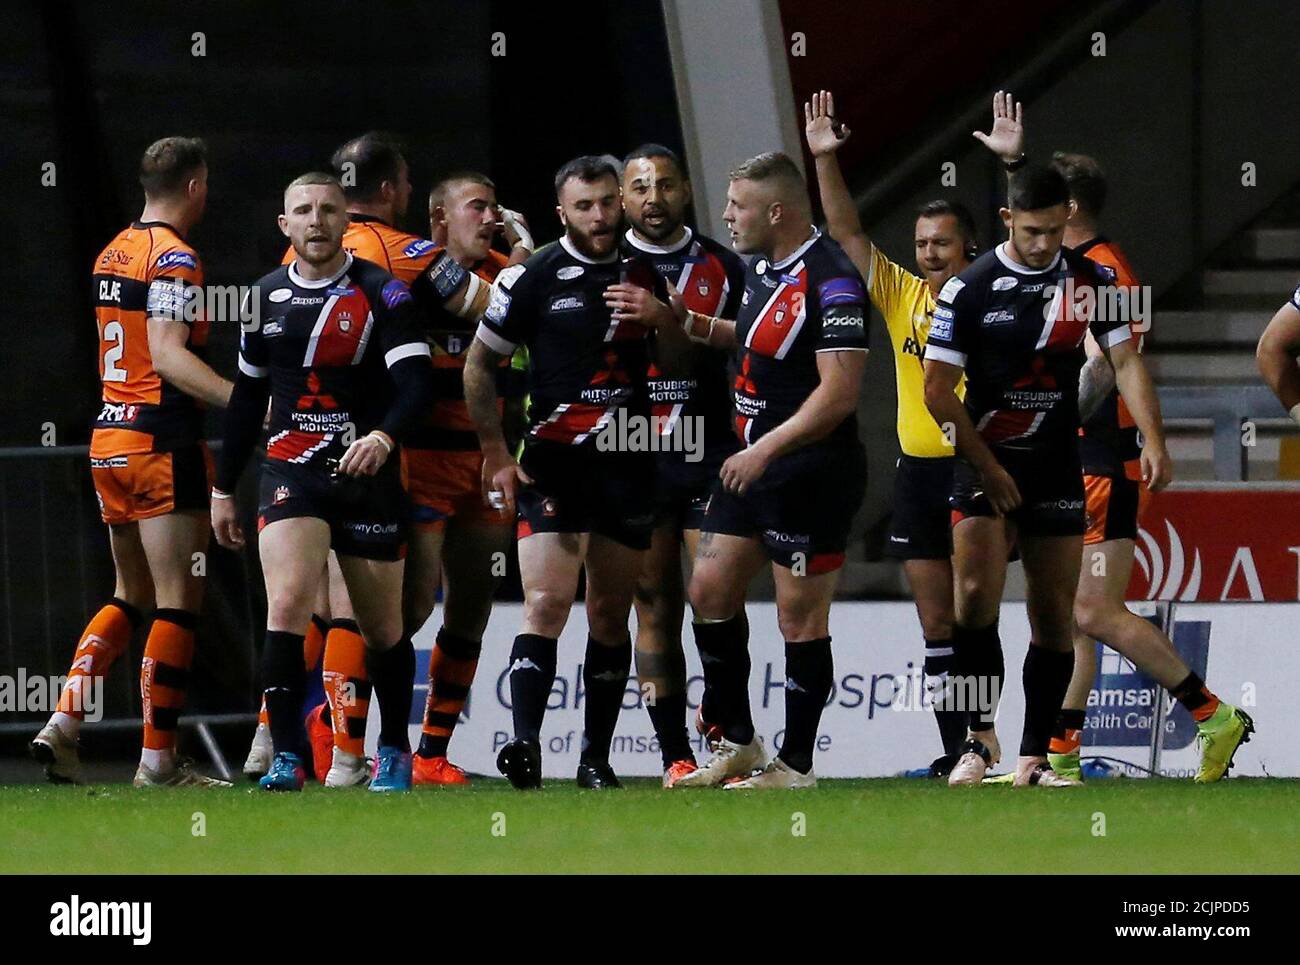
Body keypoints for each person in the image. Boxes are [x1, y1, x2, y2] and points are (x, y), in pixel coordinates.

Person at [976, 94, 1253, 784]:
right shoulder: (1065, 266)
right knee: (1074, 616)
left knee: (1093, 609)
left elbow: (1117, 362)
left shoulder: (1107, 272)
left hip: (1102, 458)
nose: (1030, 226)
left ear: (1067, 210)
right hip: (1079, 458)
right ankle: (1062, 754)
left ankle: (1213, 714)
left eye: (1045, 208)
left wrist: (1060, 420)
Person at [242, 134, 501, 786]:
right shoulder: (407, 256)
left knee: (330, 603)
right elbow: (495, 308)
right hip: (403, 453)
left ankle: (310, 739)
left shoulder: (294, 260)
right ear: (392, 190)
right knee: (385, 610)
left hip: (354, 447)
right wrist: (516, 259)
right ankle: (346, 748)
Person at [923, 161, 1173, 787]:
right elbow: (936, 392)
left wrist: (1153, 436)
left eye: (1055, 231)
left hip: (1058, 464)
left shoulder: (1092, 281)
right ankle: (977, 742)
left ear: (1068, 220)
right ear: (1008, 220)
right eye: (1032, 231)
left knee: (1054, 612)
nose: (1043, 245)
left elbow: (1125, 359)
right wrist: (987, 465)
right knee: (974, 598)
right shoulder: (971, 288)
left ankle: (1035, 757)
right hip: (984, 463)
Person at [212, 172, 434, 793]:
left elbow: (417, 387)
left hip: (366, 473)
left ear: (347, 223)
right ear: (285, 226)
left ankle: (392, 749)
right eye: (303, 211)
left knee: (380, 626)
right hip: (291, 472)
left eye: (328, 210)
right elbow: (249, 396)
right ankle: (286, 756)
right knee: (285, 606)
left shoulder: (382, 293)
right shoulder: (261, 297)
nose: (316, 221)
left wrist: (383, 437)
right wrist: (223, 486)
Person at [465, 155, 678, 789]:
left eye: (609, 202)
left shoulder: (649, 274)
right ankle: (526, 747)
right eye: (584, 205)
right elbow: (480, 367)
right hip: (552, 467)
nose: (600, 215)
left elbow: (686, 363)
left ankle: (595, 759)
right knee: (547, 602)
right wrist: (497, 455)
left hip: (628, 467)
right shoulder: (531, 277)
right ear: (562, 212)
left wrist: (662, 320)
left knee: (610, 613)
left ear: (623, 202)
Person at [33, 137, 232, 788]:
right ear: (196, 185)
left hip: (109, 441)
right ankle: (157, 761)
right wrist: (243, 401)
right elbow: (170, 356)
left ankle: (63, 721)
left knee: (131, 593)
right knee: (177, 602)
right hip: (160, 440)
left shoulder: (112, 250)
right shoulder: (175, 259)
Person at [668, 152, 871, 789]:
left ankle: (798, 765)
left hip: (809, 473)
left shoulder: (833, 280)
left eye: (738, 207)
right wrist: (691, 324)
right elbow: (758, 336)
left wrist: (765, 448)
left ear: (776, 211)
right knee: (707, 592)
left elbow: (839, 393)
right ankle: (739, 742)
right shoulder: (763, 268)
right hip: (750, 466)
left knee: (799, 620)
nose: (726, 217)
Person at [805, 89, 976, 774]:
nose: (929, 253)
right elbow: (848, 235)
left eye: (942, 243)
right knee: (936, 624)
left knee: (976, 617)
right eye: (922, 244)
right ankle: (955, 750)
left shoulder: (991, 298)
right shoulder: (903, 294)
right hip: (917, 475)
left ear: (972, 247)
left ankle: (994, 745)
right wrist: (824, 160)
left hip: (976, 473)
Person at [618, 144, 747, 787]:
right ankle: (676, 754)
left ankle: (728, 727)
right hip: (634, 453)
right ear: (622, 200)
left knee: (716, 594)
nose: (653, 198)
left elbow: (752, 352)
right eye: (639, 187)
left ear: (687, 193)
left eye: (665, 185)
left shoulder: (726, 267)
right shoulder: (605, 267)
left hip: (709, 450)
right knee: (655, 605)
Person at [405, 171, 531, 785]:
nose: (490, 219)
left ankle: (431, 752)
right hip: (421, 464)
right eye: (477, 207)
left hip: (488, 465)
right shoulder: (417, 277)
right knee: (404, 612)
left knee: (473, 605)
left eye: (495, 208)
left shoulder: (511, 271)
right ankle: (321, 727)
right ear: (439, 219)